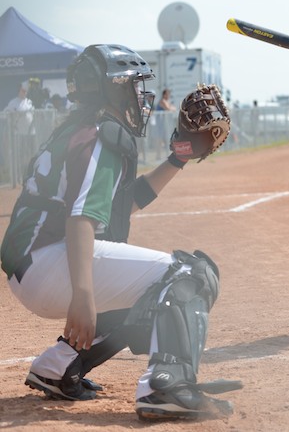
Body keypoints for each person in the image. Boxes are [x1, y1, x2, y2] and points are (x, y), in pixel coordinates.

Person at [1, 44, 239, 421]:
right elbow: (81, 218)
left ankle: (57, 366)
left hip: (34, 265)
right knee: (190, 274)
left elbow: (117, 207)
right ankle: (166, 385)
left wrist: (176, 159)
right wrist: (82, 294)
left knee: (145, 293)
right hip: (51, 262)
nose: (140, 96)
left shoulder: (79, 129)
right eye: (133, 86)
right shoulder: (103, 135)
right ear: (112, 88)